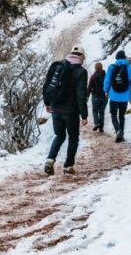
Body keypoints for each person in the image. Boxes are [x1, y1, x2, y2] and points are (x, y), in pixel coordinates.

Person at [43, 46, 89, 175]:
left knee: (59, 135)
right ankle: (68, 166)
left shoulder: (60, 66)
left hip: (56, 108)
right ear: (82, 56)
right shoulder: (81, 72)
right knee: (73, 138)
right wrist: (84, 115)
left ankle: (50, 160)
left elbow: (47, 84)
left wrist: (47, 102)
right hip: (71, 111)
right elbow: (81, 95)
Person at [104, 50, 131, 143]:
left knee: (113, 115)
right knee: (121, 116)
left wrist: (106, 90)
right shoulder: (130, 68)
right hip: (125, 97)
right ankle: (121, 135)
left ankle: (118, 131)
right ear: (124, 57)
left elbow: (107, 81)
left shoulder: (111, 67)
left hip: (113, 96)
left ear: (116, 58)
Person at [88, 62, 107, 132]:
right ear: (102, 67)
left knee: (95, 111)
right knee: (102, 112)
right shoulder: (106, 76)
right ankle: (101, 128)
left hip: (95, 97)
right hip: (104, 97)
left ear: (95, 68)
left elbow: (89, 87)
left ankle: (96, 123)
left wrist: (87, 96)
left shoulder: (93, 76)